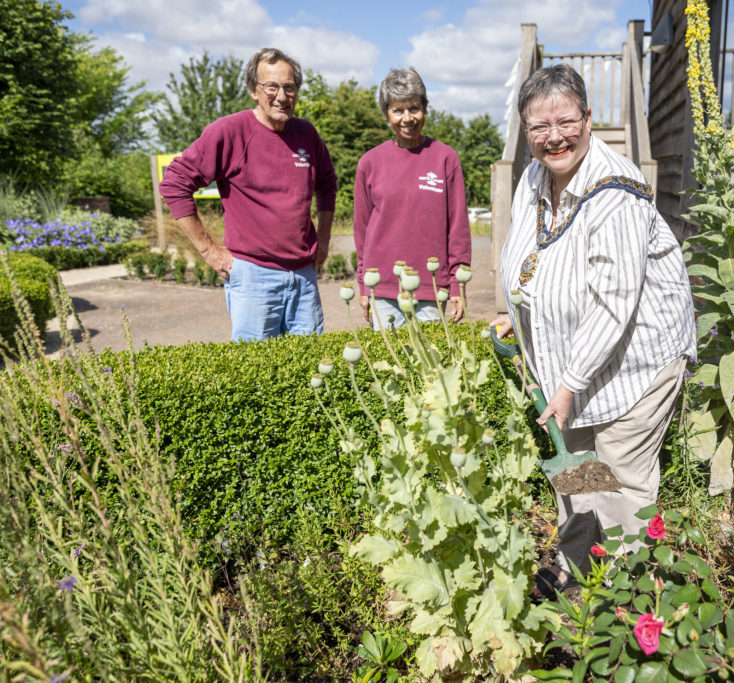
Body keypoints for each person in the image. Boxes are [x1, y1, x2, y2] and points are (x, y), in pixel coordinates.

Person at [492, 64, 696, 600]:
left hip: (633, 364)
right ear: (525, 130)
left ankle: (634, 600)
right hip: (574, 369)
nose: (554, 136)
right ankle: (575, 568)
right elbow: (529, 253)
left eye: (565, 121)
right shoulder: (536, 175)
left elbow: (613, 305)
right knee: (579, 469)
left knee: (621, 478)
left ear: (587, 118)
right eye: (539, 126)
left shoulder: (616, 193)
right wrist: (516, 310)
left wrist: (566, 384)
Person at [160, 47, 338, 341]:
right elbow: (175, 184)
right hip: (253, 277)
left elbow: (327, 185)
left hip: (304, 277)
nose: (281, 96)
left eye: (289, 87)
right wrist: (209, 251)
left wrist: (325, 239)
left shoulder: (307, 134)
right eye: (272, 86)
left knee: (311, 369)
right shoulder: (229, 132)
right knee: (259, 373)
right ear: (253, 90)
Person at [354, 67, 471, 329]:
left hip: (432, 290)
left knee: (432, 368)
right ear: (387, 113)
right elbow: (361, 232)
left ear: (425, 108)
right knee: (389, 368)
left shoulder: (445, 158)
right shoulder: (369, 163)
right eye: (398, 110)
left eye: (414, 108)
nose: (408, 118)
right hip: (382, 291)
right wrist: (364, 284)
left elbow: (458, 228)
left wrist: (457, 286)